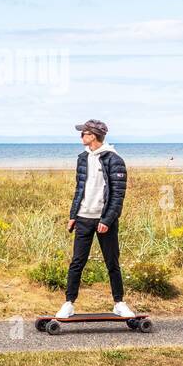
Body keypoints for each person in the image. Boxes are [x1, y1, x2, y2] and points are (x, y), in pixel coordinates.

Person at [59, 119, 133, 320]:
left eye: (83, 133)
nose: (81, 136)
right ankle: (68, 304)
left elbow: (118, 196)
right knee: (77, 262)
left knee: (112, 263)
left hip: (104, 221)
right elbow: (79, 189)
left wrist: (107, 220)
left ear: (92, 135)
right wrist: (73, 216)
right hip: (83, 218)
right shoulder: (83, 158)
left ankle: (119, 303)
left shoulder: (114, 159)